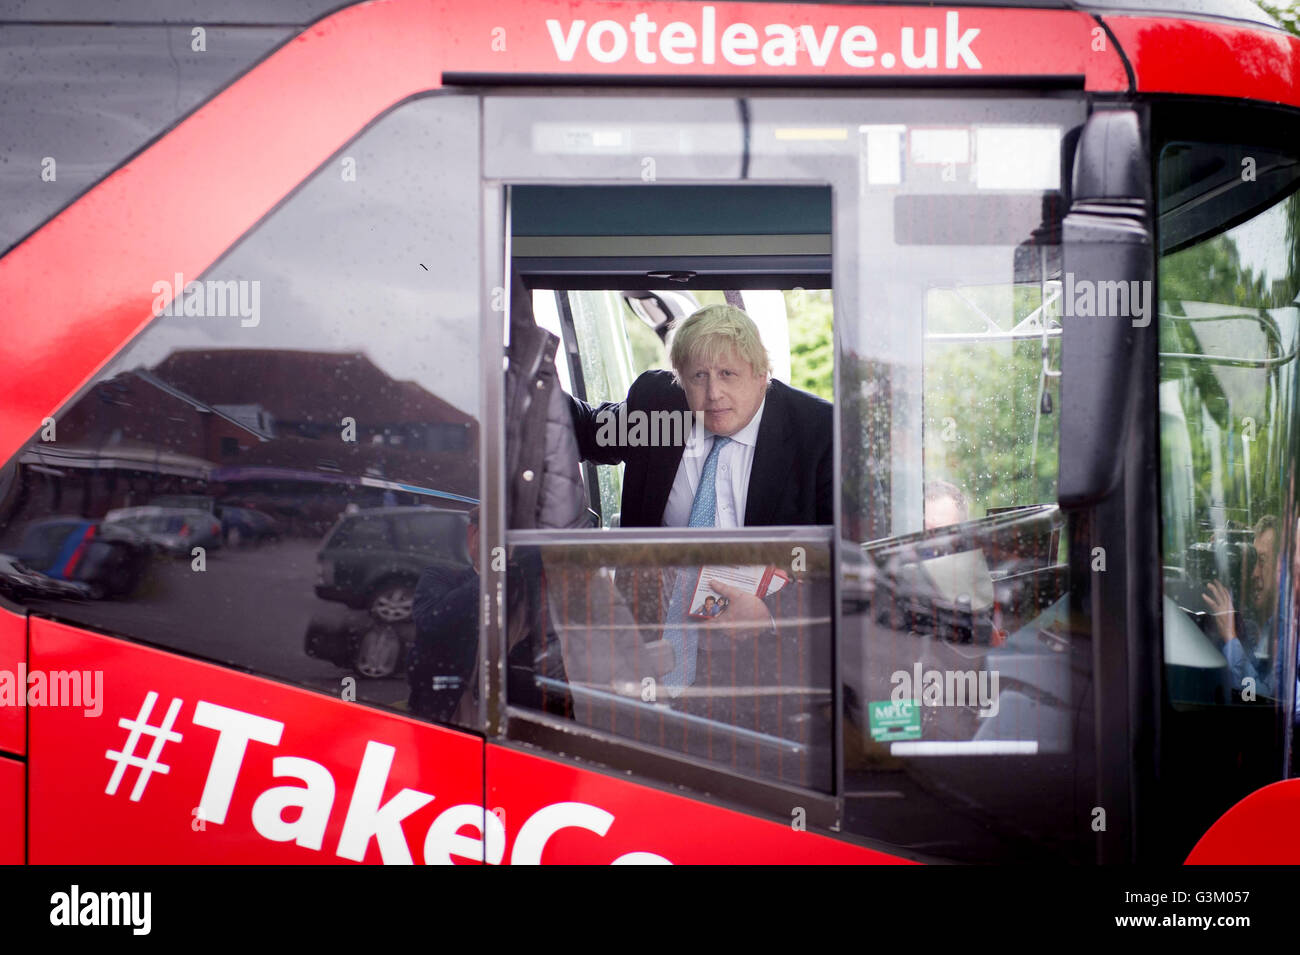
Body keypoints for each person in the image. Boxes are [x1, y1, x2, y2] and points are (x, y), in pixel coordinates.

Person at [567, 303, 833, 651]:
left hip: (766, 657)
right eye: (699, 376)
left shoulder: (817, 432)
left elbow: (848, 560)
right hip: (652, 644)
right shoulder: (659, 408)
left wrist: (771, 613)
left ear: (761, 373)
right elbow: (583, 429)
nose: (713, 393)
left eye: (728, 374)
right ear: (680, 379)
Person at [1202, 515, 1284, 698]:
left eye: (1261, 561)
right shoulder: (1252, 623)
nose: (1254, 572)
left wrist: (1231, 639)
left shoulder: (1287, 631)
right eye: (1253, 562)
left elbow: (1262, 697)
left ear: (1282, 565)